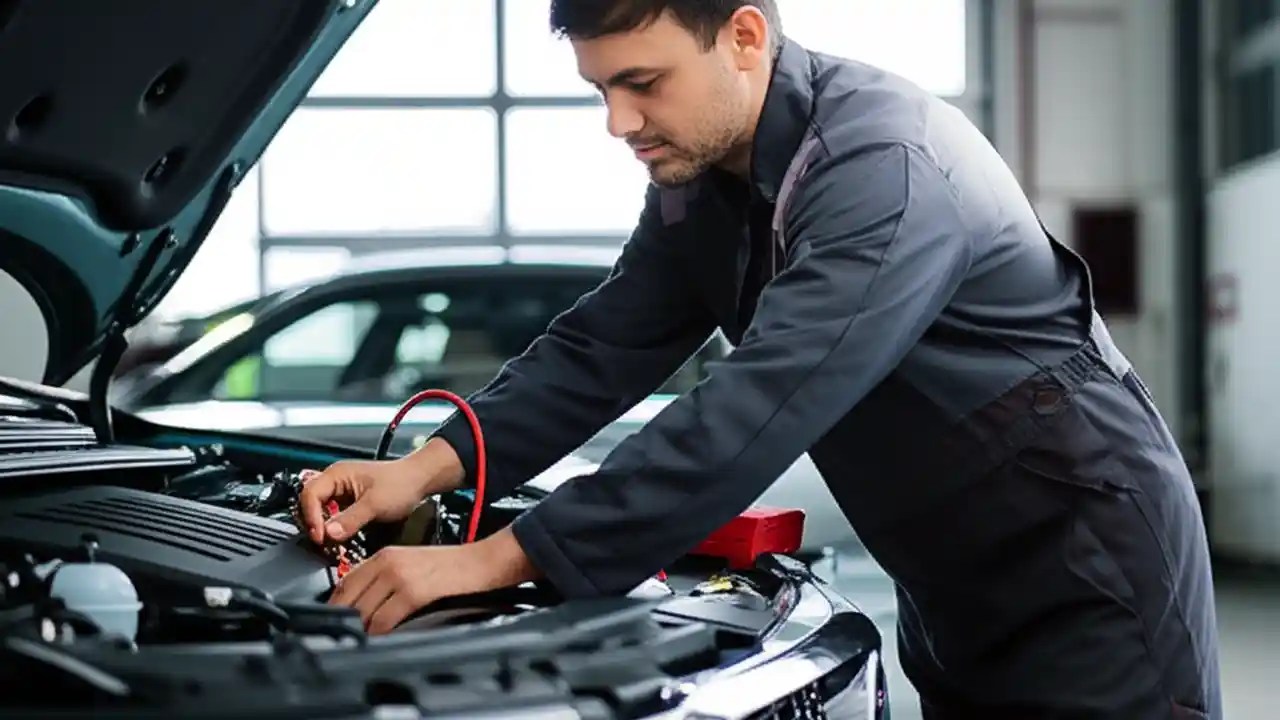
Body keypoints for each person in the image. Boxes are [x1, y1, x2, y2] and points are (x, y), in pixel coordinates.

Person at [299, 2, 1222, 717]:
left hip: (1084, 565)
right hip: (951, 579)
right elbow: (603, 344)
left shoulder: (884, 169)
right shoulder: (708, 176)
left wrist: (498, 560)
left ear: (743, 36)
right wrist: (415, 476)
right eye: (600, 88)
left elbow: (759, 401)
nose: (619, 120)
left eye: (644, 81)